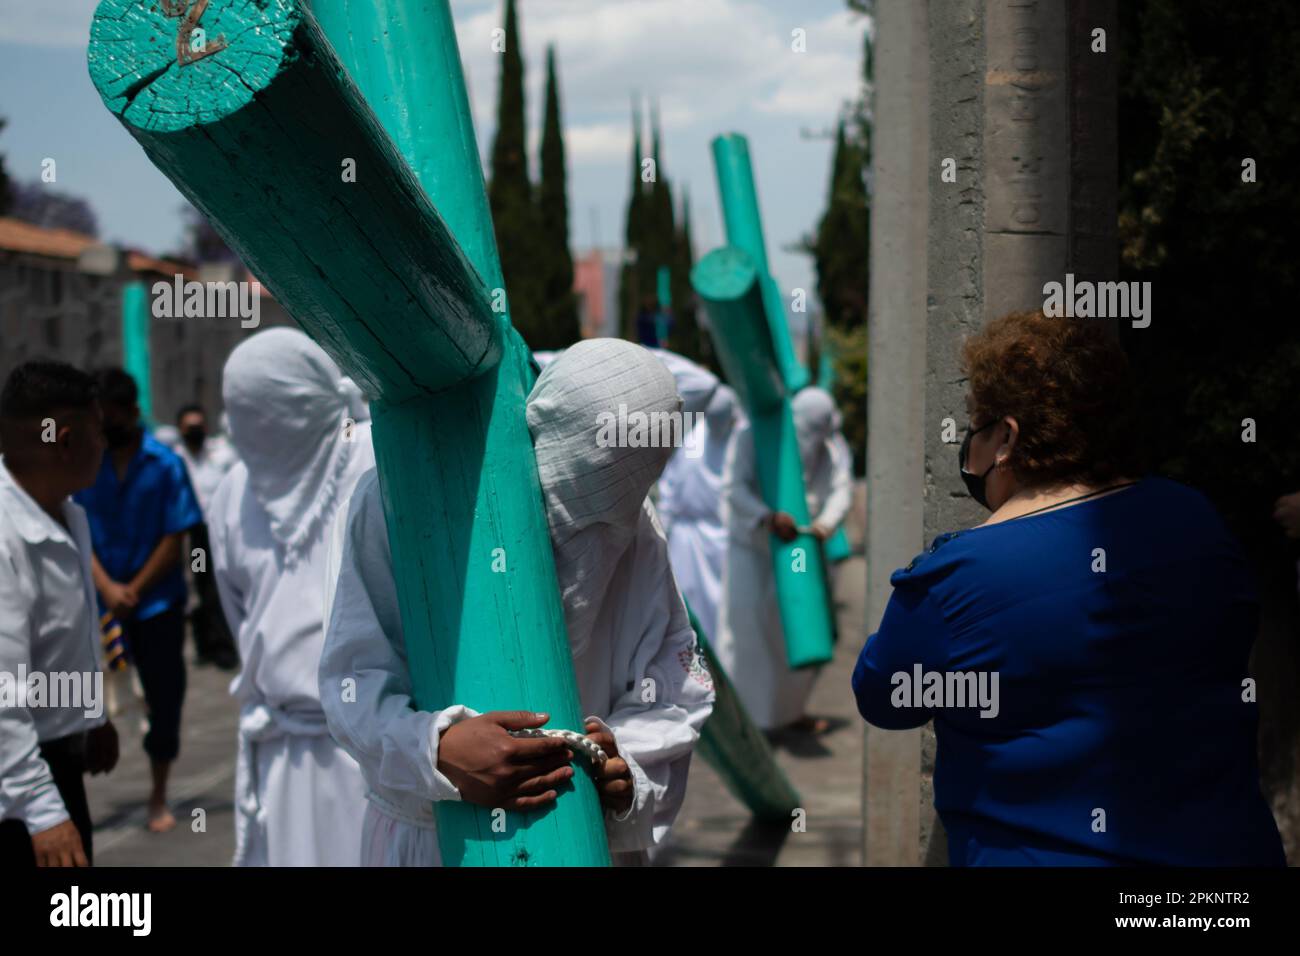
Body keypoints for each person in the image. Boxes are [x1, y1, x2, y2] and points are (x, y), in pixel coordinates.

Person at [852, 310, 1286, 866]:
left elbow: (882, 696)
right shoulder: (1197, 519)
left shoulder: (960, 577)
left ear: (1005, 438)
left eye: (975, 427)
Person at [320, 338, 715, 866]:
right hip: (432, 838)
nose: (584, 534)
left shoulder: (639, 531)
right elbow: (352, 681)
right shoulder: (397, 501)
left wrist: (624, 768)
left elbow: (675, 689)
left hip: (586, 838)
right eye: (570, 489)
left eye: (606, 513)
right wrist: (434, 750)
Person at [208, 329, 374, 866]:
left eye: (269, 408)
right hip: (281, 747)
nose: (257, 428)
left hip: (377, 750)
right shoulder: (234, 490)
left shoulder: (372, 459)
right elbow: (240, 610)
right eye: (244, 413)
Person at [0, 361, 120, 865]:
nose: (106, 444)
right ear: (66, 439)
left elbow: (66, 633)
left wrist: (90, 718)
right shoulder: (5, 534)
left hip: (56, 763)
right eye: (99, 432)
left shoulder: (69, 514)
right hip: (17, 788)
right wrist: (40, 810)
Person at [75, 368, 203, 833]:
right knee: (82, 700)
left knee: (165, 700)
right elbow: (76, 527)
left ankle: (158, 793)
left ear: (132, 412)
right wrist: (108, 588)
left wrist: (135, 588)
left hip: (157, 605)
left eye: (112, 417)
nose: (105, 426)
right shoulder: (86, 463)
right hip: (98, 605)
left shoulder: (165, 464)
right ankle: (75, 801)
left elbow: (177, 533)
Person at [713, 386, 852, 734]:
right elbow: (733, 488)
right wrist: (766, 516)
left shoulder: (831, 449)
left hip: (799, 555)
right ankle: (746, 719)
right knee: (746, 628)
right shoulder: (752, 436)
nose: (811, 437)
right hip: (753, 548)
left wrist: (824, 525)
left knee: (797, 626)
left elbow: (842, 489)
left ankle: (790, 713)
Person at [657, 385, 740, 643]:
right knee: (685, 600)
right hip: (686, 537)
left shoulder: (741, 440)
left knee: (721, 607)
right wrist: (664, 528)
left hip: (724, 539)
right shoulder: (691, 438)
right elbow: (671, 484)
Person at [174, 403, 240, 670]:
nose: (195, 432)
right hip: (195, 537)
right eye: (190, 428)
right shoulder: (176, 459)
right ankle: (205, 646)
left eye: (199, 426)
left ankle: (224, 646)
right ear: (180, 429)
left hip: (220, 532)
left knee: (220, 585)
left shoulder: (220, 456)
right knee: (199, 589)